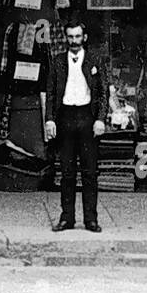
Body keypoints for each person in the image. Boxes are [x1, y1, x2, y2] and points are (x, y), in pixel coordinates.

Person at [42, 21, 108, 233]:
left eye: (77, 37)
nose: (74, 41)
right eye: (70, 37)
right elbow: (51, 93)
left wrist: (100, 119)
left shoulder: (94, 60)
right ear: (66, 38)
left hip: (87, 117)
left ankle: (91, 219)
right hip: (66, 117)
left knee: (89, 172)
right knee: (67, 172)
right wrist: (49, 119)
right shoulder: (58, 61)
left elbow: (103, 92)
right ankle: (66, 218)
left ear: (84, 37)